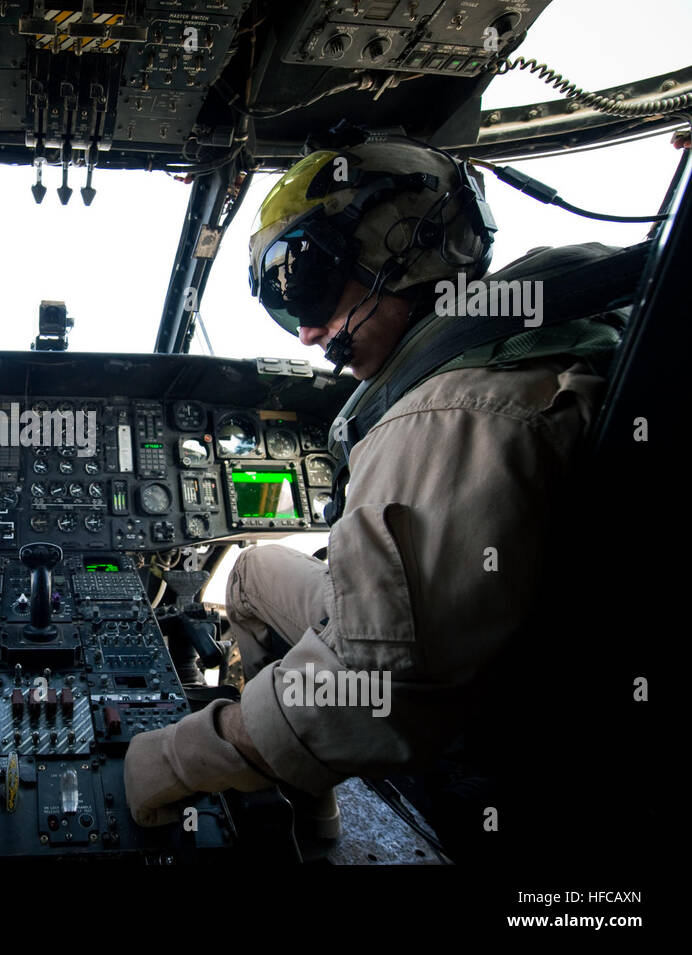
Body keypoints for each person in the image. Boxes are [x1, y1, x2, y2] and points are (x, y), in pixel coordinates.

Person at [124, 135, 624, 838]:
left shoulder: (448, 414)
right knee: (253, 573)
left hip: (469, 708)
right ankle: (309, 807)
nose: (303, 332)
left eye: (301, 281)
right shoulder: (565, 318)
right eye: (279, 297)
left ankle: (286, 794)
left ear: (405, 247)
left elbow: (371, 687)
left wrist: (175, 756)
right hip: (474, 634)